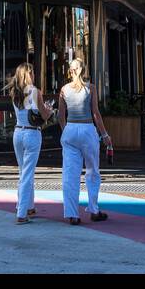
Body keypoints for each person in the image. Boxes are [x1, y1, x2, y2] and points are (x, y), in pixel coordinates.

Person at [57, 57, 111, 225]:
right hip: (88, 130)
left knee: (70, 174)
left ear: (71, 71)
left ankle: (73, 214)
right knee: (92, 171)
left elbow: (60, 116)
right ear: (84, 70)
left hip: (70, 129)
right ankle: (94, 209)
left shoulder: (64, 90)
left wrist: (66, 130)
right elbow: (95, 113)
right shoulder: (91, 88)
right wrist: (105, 135)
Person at [3, 62, 55, 224]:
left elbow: (28, 110)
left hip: (18, 132)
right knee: (27, 174)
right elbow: (45, 115)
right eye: (32, 73)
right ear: (28, 74)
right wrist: (50, 109)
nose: (34, 76)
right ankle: (21, 212)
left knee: (23, 172)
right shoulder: (34, 91)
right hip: (32, 134)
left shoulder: (14, 92)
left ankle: (28, 206)